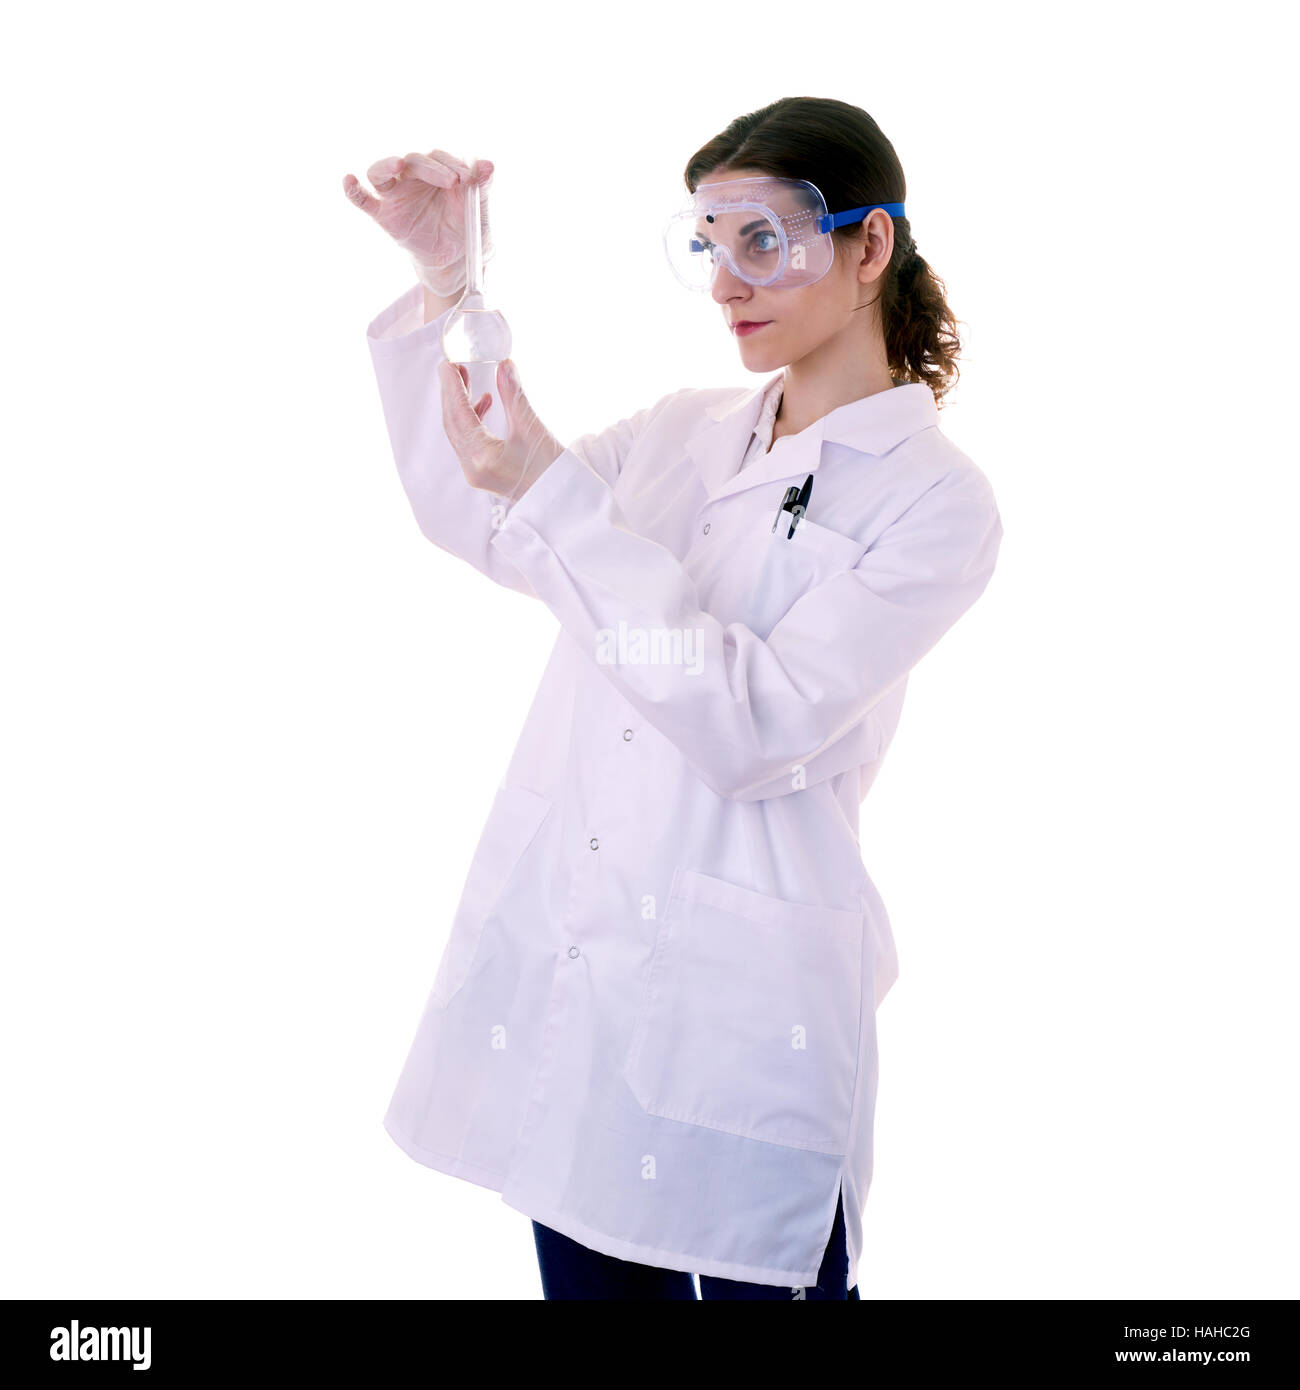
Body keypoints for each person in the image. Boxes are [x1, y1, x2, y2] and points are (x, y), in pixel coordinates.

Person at [343, 95, 1003, 1300]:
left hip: (751, 1024)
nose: (725, 280)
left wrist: (555, 492)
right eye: (708, 240)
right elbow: (489, 512)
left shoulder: (935, 502)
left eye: (765, 239)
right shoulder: (681, 432)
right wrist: (454, 291)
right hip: (588, 989)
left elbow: (754, 721)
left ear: (871, 246)